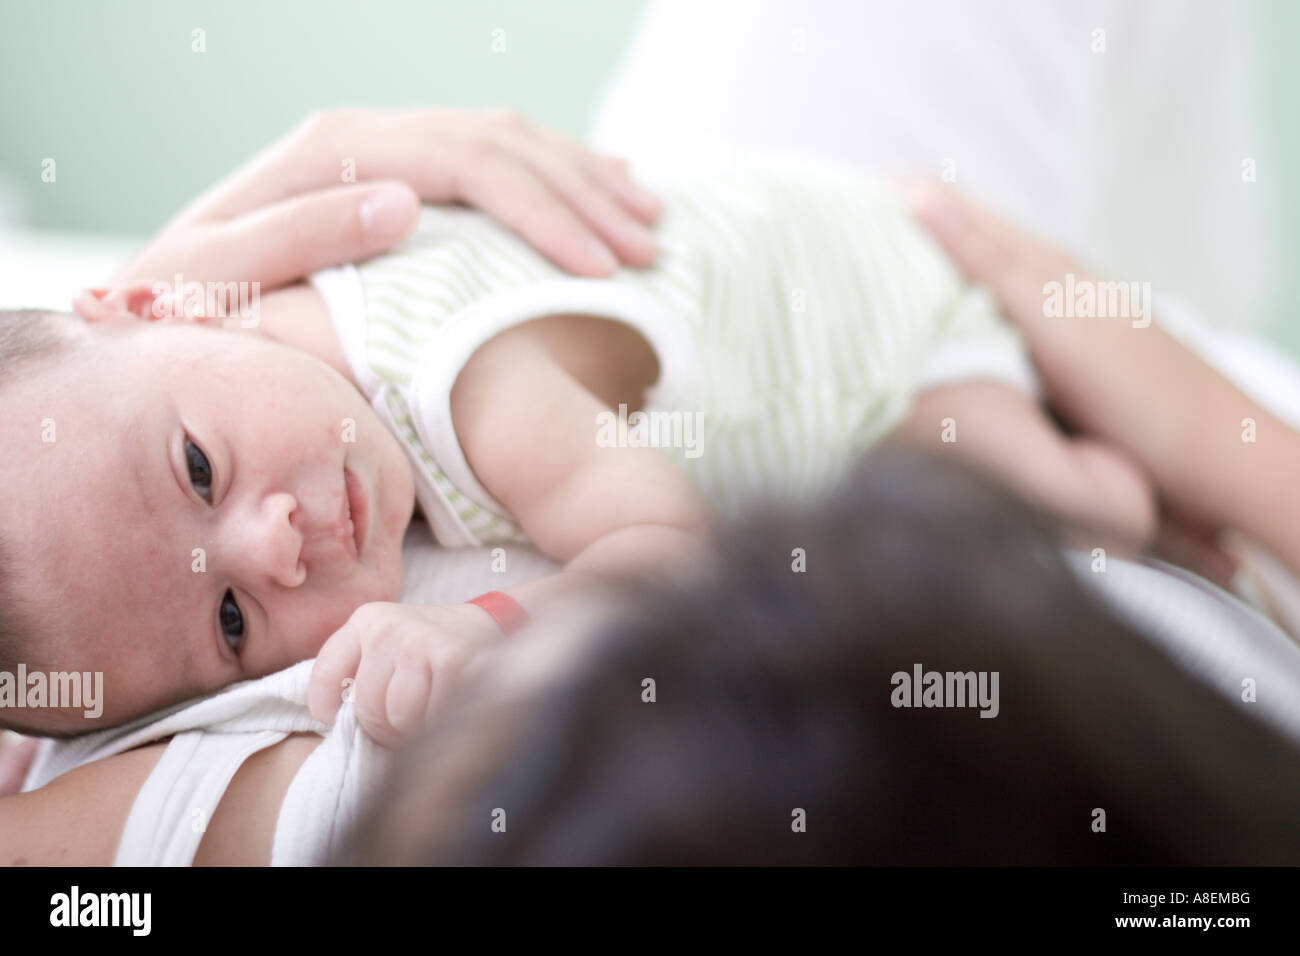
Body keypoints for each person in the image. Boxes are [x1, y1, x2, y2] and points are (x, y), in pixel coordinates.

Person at [3, 141, 1161, 741]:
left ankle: (1138, 456)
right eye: (230, 621)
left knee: (1093, 515)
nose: (278, 542)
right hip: (729, 228)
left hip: (876, 319)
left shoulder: (470, 388)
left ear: (155, 298)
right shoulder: (204, 350)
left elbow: (669, 543)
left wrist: (476, 625)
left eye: (200, 471)